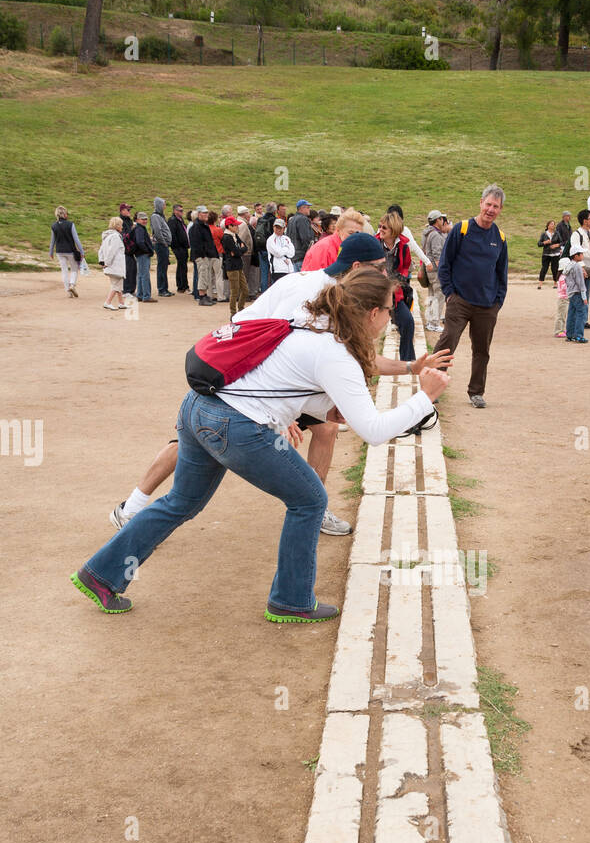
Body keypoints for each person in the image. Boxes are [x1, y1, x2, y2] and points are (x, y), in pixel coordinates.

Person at [71, 268, 450, 621]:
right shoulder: (336, 352)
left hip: (198, 408)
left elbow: (283, 381)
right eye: (390, 308)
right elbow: (374, 430)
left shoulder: (312, 325)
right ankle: (292, 599)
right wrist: (425, 397)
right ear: (371, 313)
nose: (391, 316)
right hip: (235, 425)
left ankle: (101, 574)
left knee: (181, 501)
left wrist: (322, 410)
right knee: (310, 500)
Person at [109, 234, 452, 539]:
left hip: (271, 388)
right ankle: (133, 506)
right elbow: (271, 347)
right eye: (379, 266)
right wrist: (279, 410)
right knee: (188, 444)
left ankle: (314, 508)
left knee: (327, 429)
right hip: (243, 383)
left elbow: (347, 360)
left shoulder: (341, 299)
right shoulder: (312, 293)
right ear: (358, 267)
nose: (383, 273)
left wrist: (409, 367)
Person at [435, 184, 508, 409]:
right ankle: (433, 387)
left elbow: (501, 272)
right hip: (460, 301)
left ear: (500, 209)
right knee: (447, 343)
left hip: (487, 305)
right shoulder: (462, 229)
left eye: (496, 206)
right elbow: (444, 264)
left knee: (482, 351)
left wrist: (498, 301)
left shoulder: (500, 238)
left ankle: (476, 391)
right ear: (480, 203)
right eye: (488, 204)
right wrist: (449, 294)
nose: (491, 210)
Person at [377, 210, 415, 362]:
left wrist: (401, 278)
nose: (380, 230)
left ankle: (407, 362)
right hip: (376, 292)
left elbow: (406, 266)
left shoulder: (403, 247)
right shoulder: (374, 243)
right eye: (380, 226)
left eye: (384, 228)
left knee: (408, 322)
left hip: (395, 293)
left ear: (394, 230)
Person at [570, 210, 590, 329]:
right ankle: (577, 320)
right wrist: (581, 267)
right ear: (584, 221)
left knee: (586, 295)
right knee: (579, 296)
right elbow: (575, 251)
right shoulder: (577, 234)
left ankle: (583, 319)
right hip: (580, 270)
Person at [386, 204, 434, 274]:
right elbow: (414, 247)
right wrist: (427, 262)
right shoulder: (384, 230)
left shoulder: (404, 230)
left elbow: (414, 247)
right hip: (394, 268)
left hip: (399, 268)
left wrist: (427, 262)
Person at [421, 210, 449, 331]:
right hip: (436, 270)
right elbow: (438, 256)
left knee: (432, 295)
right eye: (442, 219)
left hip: (430, 270)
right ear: (438, 220)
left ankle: (430, 321)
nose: (443, 221)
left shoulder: (428, 233)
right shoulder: (436, 235)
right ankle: (434, 323)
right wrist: (444, 272)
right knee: (439, 296)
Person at [49, 206, 85, 298]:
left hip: (59, 251)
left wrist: (51, 252)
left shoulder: (54, 226)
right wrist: (82, 251)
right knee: (74, 269)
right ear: (64, 214)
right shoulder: (70, 224)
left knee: (64, 271)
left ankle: (68, 291)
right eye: (66, 213)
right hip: (70, 251)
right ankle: (72, 285)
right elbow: (76, 239)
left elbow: (52, 240)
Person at [188, 205, 219, 306]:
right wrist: (202, 255)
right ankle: (201, 296)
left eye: (206, 213)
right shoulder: (196, 227)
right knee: (203, 275)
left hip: (206, 255)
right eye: (203, 213)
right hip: (201, 256)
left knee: (206, 275)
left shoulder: (203, 225)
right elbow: (196, 243)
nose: (206, 215)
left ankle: (205, 295)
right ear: (198, 214)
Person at [221, 215, 249, 316]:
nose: (237, 227)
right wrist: (240, 250)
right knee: (235, 291)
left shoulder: (234, 235)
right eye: (235, 226)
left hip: (238, 265)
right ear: (229, 226)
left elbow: (244, 247)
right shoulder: (227, 237)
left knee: (245, 290)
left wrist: (239, 250)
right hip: (232, 267)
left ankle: (241, 309)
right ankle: (233, 313)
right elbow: (236, 251)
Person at [98, 216, 126, 310]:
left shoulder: (107, 237)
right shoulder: (115, 237)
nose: (122, 227)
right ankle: (108, 302)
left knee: (118, 283)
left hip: (111, 265)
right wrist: (107, 263)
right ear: (117, 226)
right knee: (116, 285)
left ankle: (121, 302)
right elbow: (112, 251)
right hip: (115, 265)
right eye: (121, 225)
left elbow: (101, 250)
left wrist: (102, 261)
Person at [559, 254, 589, 343]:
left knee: (571, 313)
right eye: (581, 254)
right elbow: (580, 282)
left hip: (571, 292)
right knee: (581, 314)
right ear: (576, 255)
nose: (583, 256)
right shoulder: (577, 267)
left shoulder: (569, 265)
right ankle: (578, 335)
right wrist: (584, 295)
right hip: (577, 292)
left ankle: (570, 335)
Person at [151, 197, 174, 297]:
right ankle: (162, 289)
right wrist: (164, 242)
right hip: (161, 245)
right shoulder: (155, 216)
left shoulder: (160, 216)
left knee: (164, 267)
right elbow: (157, 231)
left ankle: (165, 288)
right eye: (163, 204)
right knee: (161, 267)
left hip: (163, 244)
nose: (165, 206)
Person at [132, 210, 156, 303]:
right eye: (143, 219)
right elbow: (140, 242)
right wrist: (147, 250)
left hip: (140, 254)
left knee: (141, 275)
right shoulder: (139, 229)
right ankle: (146, 296)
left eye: (146, 219)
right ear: (137, 220)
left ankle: (140, 295)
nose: (145, 221)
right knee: (144, 275)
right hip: (142, 254)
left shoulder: (139, 228)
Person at [287, 199, 317, 271]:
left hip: (293, 256)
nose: (309, 209)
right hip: (302, 257)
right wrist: (309, 253)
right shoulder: (303, 219)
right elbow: (306, 238)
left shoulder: (291, 220)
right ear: (302, 208)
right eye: (307, 207)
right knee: (304, 280)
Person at [235, 206, 258, 298]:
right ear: (245, 214)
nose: (249, 214)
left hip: (244, 253)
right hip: (245, 254)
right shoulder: (243, 224)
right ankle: (242, 295)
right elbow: (241, 239)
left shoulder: (240, 222)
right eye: (248, 213)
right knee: (244, 274)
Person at [254, 202, 277, 291]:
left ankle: (264, 293)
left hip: (261, 249)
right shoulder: (274, 220)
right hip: (270, 250)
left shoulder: (260, 219)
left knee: (263, 273)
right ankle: (272, 293)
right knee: (272, 272)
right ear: (275, 211)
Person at [168, 203, 190, 293]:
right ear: (175, 211)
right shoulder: (172, 220)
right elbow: (172, 235)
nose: (182, 212)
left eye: (182, 210)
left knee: (182, 266)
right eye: (180, 210)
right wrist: (177, 245)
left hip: (183, 246)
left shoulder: (180, 220)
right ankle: (182, 286)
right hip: (178, 247)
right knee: (182, 266)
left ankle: (182, 285)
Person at [208, 210, 229, 302]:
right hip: (218, 254)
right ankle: (220, 296)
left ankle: (209, 295)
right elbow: (223, 240)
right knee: (219, 276)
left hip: (207, 255)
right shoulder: (217, 230)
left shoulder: (205, 229)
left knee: (209, 276)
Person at [266, 218, 296, 283]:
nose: (278, 229)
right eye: (276, 227)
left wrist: (283, 251)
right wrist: (286, 248)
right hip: (277, 270)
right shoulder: (270, 240)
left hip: (289, 269)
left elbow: (292, 253)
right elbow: (277, 253)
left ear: (284, 228)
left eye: (280, 228)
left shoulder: (287, 238)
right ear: (273, 227)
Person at [119, 203, 136, 298]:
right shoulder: (120, 221)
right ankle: (126, 290)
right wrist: (132, 229)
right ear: (122, 211)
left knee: (133, 269)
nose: (129, 211)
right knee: (128, 269)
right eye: (127, 210)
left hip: (131, 248)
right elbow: (124, 235)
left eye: (129, 210)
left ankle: (131, 290)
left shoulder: (129, 220)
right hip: (125, 249)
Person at [537, 219, 561, 288]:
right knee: (544, 269)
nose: (552, 225)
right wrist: (545, 242)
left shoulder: (557, 233)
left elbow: (561, 242)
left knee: (555, 269)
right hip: (546, 254)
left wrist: (556, 245)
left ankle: (555, 283)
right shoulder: (544, 234)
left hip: (555, 254)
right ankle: (540, 284)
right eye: (551, 224)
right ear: (548, 226)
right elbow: (539, 244)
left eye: (553, 224)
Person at [553, 264, 569, 337]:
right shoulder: (563, 277)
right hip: (563, 299)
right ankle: (558, 331)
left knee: (563, 315)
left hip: (565, 298)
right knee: (561, 315)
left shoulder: (563, 277)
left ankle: (562, 329)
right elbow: (564, 287)